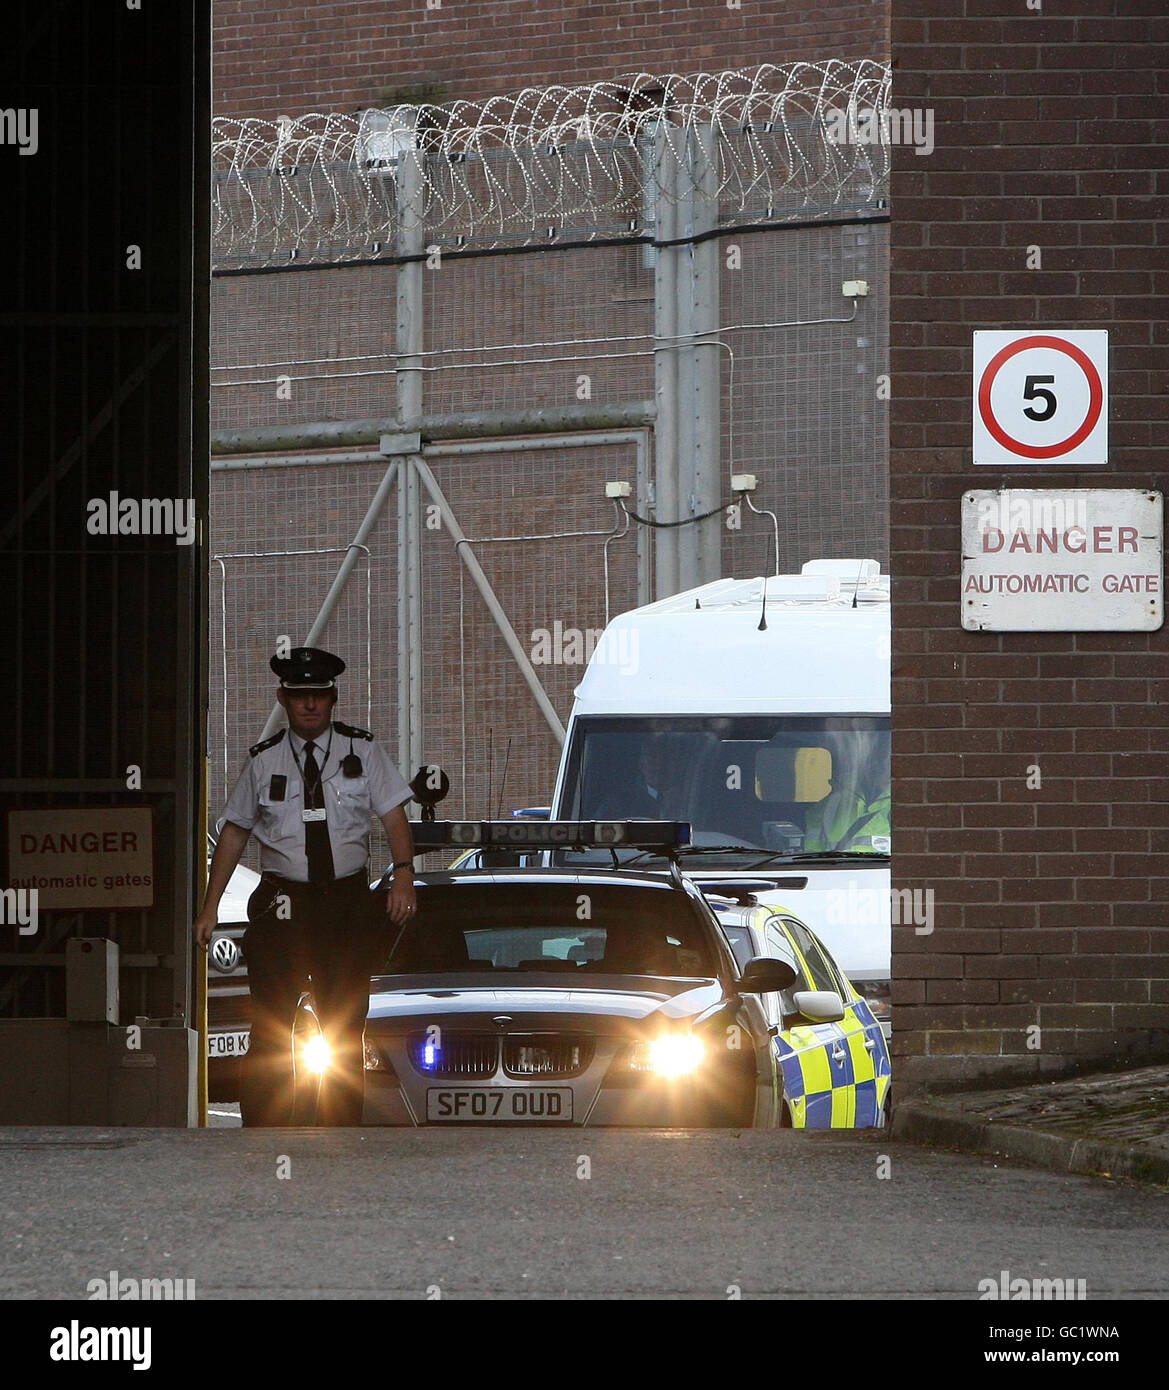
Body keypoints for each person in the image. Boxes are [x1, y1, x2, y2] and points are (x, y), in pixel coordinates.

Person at [193, 647, 417, 1126]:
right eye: (299, 696)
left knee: (344, 1023)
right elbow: (233, 833)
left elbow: (395, 814)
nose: (310, 705)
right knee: (272, 1023)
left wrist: (403, 875)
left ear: (333, 698)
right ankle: (266, 1128)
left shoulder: (363, 751)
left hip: (346, 903)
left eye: (318, 695)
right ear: (283, 698)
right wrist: (210, 908)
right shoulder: (263, 761)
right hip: (284, 905)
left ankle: (340, 1130)